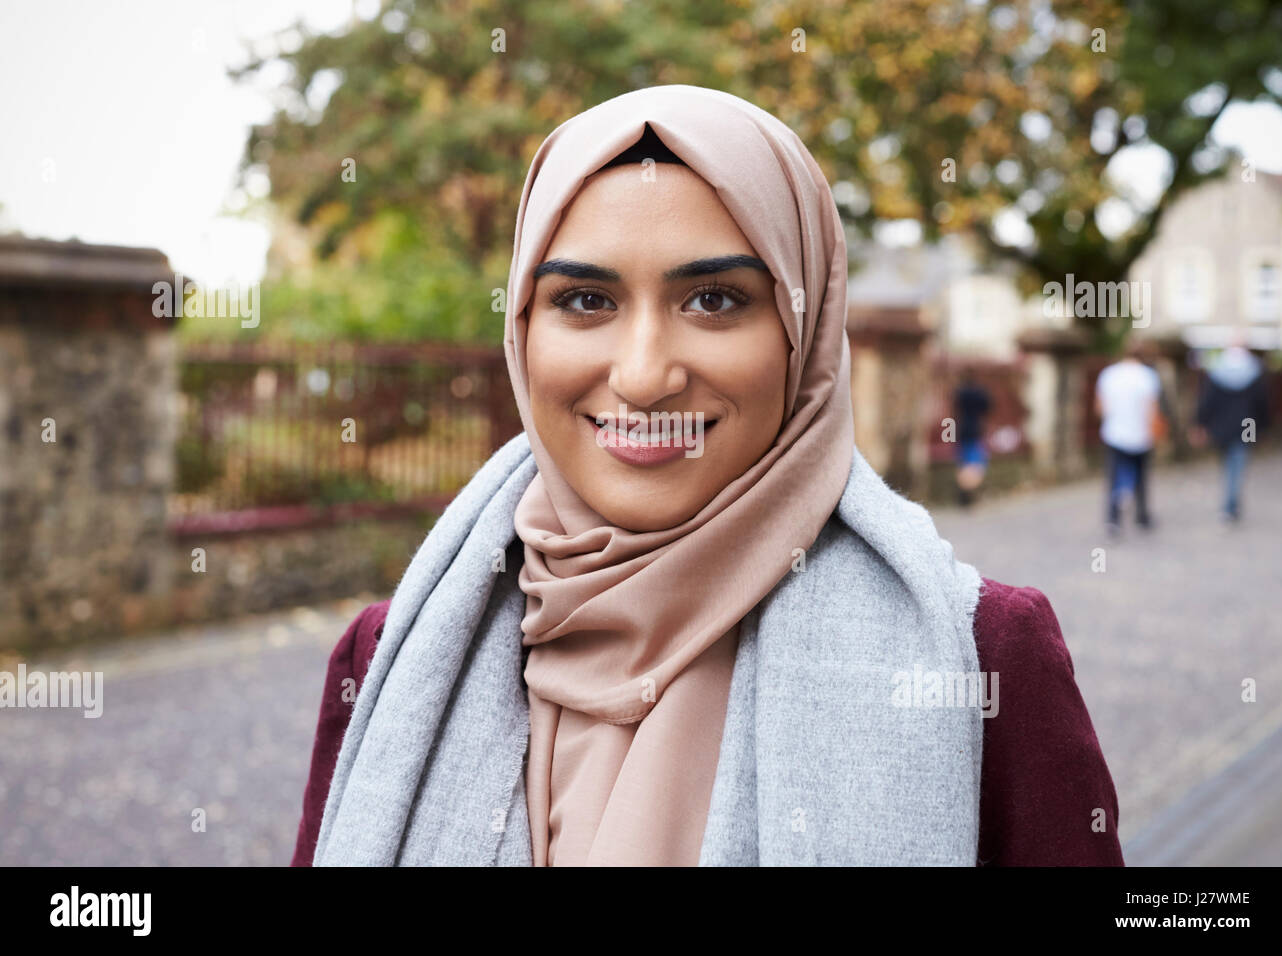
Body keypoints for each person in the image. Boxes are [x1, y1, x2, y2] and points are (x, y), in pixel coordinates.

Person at [293, 86, 1121, 866]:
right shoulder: (387, 660)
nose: (645, 375)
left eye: (714, 300)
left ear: (803, 330)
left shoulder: (981, 657)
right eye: (585, 300)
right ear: (520, 328)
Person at [1192, 339, 1271, 521]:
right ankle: (1231, 505)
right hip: (1248, 424)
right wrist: (1265, 428)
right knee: (1239, 464)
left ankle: (1229, 504)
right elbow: (1262, 403)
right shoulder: (1255, 371)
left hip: (1222, 425)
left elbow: (1207, 401)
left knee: (1228, 463)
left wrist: (1200, 423)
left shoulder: (1217, 370)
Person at [1094, 339, 1162, 533]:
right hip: (1141, 436)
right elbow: (1152, 411)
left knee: (1113, 477)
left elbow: (1100, 408)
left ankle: (1113, 519)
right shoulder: (1148, 377)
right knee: (1141, 477)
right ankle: (1142, 516)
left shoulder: (1109, 375)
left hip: (1114, 434)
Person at [953, 368, 992, 507]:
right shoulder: (979, 393)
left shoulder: (959, 393)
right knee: (976, 464)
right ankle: (968, 490)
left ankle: (965, 491)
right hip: (975, 431)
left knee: (964, 462)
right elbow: (987, 407)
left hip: (961, 431)